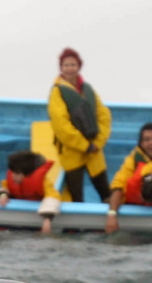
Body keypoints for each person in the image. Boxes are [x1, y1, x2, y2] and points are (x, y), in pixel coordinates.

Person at [48, 48, 112, 204]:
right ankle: (77, 227)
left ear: (79, 66)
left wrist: (98, 142)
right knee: (76, 196)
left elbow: (104, 115)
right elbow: (61, 125)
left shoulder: (88, 89)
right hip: (72, 151)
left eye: (73, 64)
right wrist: (84, 145)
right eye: (66, 65)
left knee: (105, 191)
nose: (70, 68)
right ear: (61, 68)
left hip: (94, 149)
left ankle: (112, 215)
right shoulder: (57, 92)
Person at [105, 123, 152, 233]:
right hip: (138, 207)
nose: (151, 143)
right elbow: (118, 186)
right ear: (141, 143)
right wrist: (112, 215)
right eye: (147, 140)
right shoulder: (133, 159)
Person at [0, 150, 62, 234]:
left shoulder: (43, 183)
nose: (13, 176)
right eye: (12, 172)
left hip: (39, 218)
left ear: (28, 174)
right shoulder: (12, 181)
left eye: (17, 173)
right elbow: (4, 187)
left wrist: (47, 218)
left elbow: (53, 197)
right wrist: (3, 195)